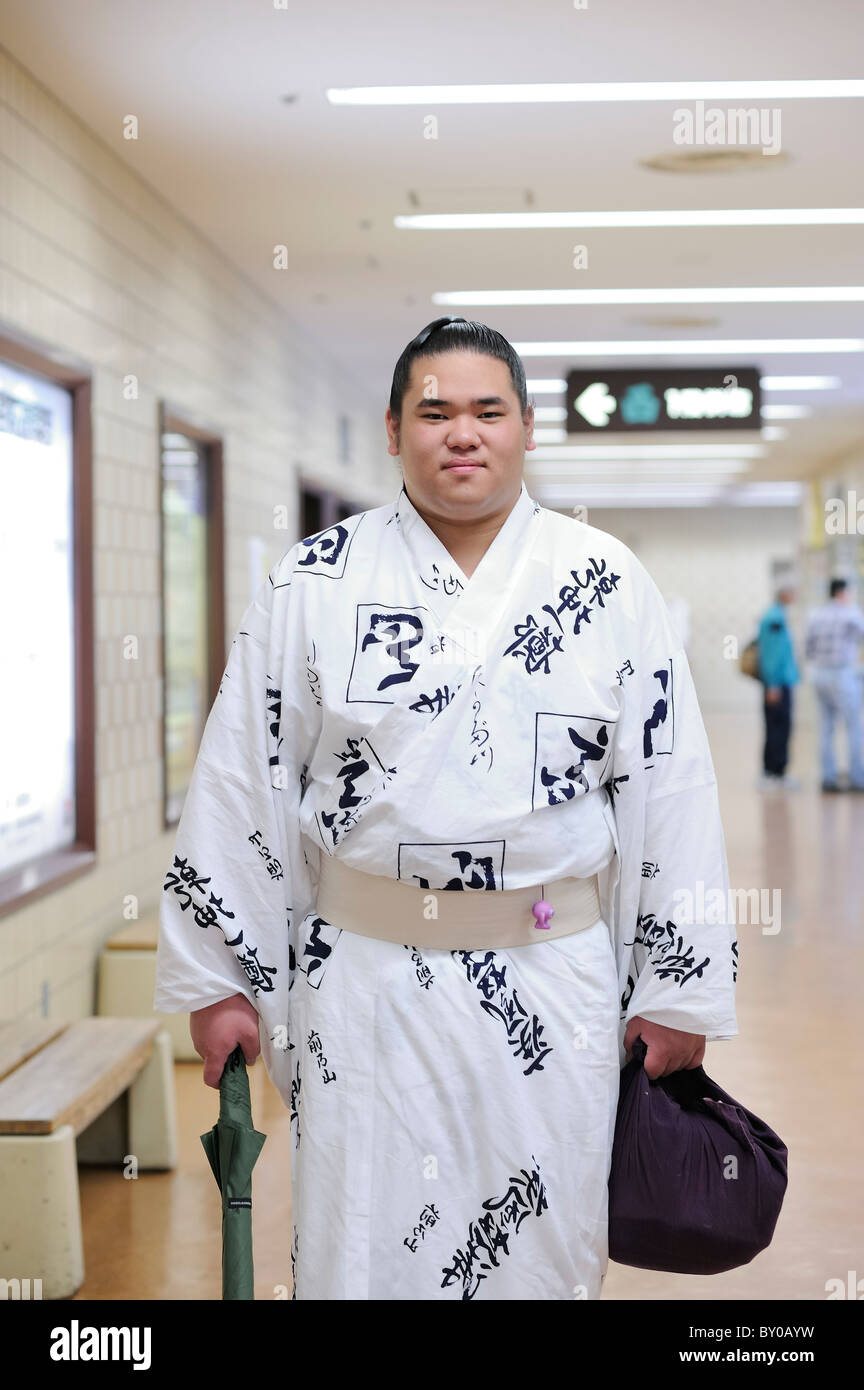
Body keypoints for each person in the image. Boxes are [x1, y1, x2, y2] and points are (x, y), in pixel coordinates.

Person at [154, 317, 738, 1301]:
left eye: (486, 410)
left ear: (526, 428)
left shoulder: (603, 583)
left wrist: (676, 985)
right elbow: (240, 776)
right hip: (362, 976)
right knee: (361, 1232)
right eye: (434, 411)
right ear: (393, 430)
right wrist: (220, 975)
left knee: (543, 1243)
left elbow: (669, 785)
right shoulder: (313, 580)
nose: (461, 433)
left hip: (552, 976)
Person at [805, 577, 864, 792]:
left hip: (820, 675)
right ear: (843, 593)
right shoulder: (850, 613)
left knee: (826, 728)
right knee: (854, 727)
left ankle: (828, 778)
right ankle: (858, 778)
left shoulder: (816, 615)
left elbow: (808, 649)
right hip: (842, 675)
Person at [756, 586, 801, 789]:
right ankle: (775, 772)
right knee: (778, 728)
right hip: (777, 685)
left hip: (781, 683)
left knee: (779, 727)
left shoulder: (778, 615)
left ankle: (774, 771)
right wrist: (773, 684)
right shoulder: (774, 619)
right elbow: (773, 655)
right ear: (784, 594)